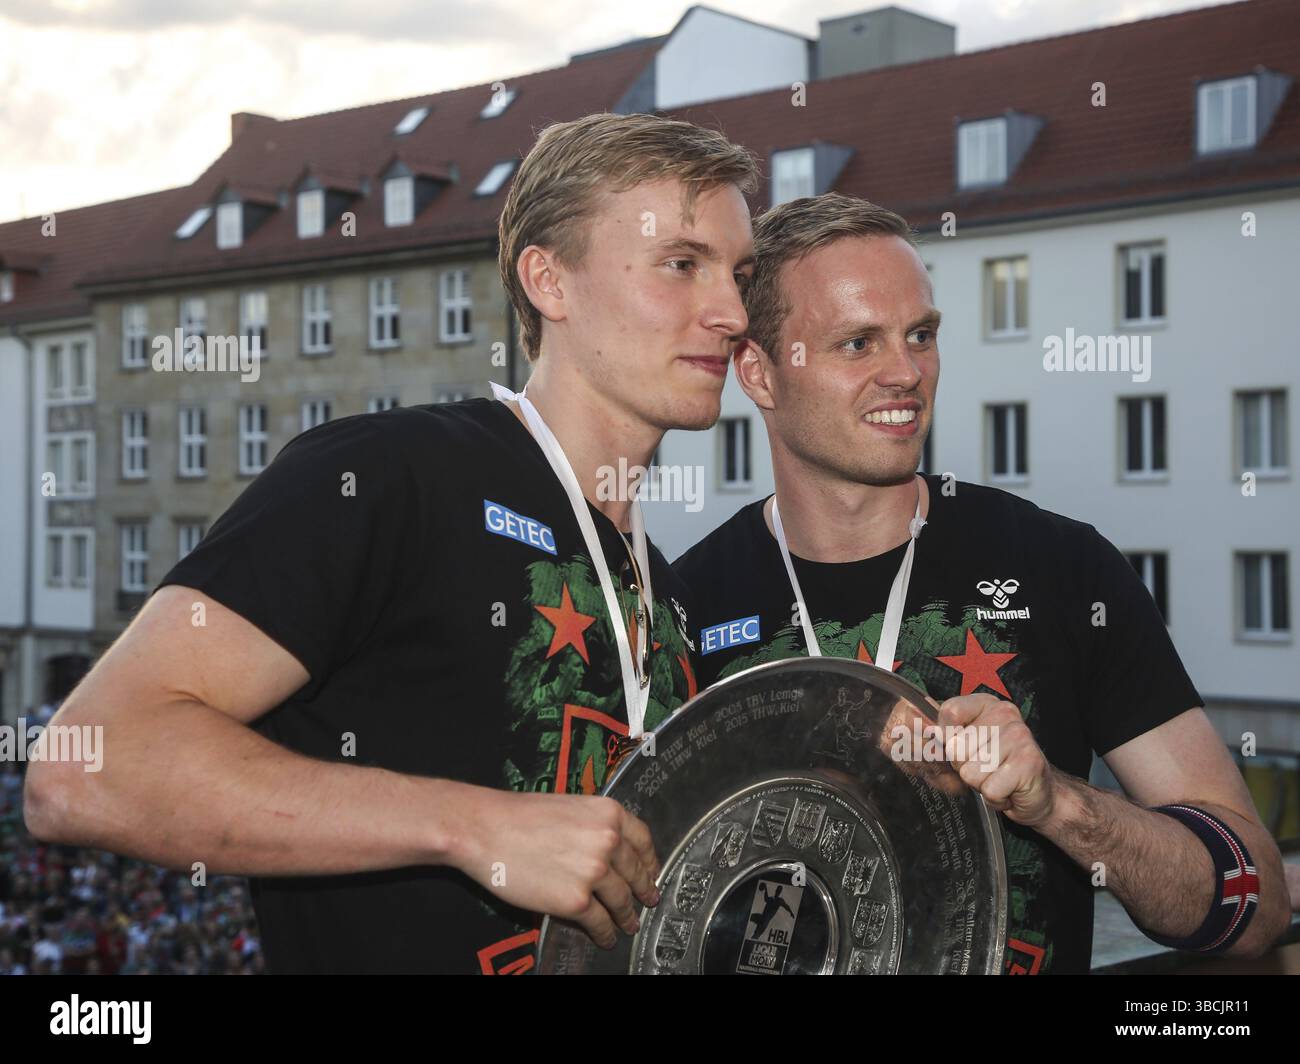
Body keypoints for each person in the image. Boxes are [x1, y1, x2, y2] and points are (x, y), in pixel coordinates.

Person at [23, 111, 758, 973]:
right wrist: (468, 826)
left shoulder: (660, 588)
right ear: (549, 283)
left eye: (740, 275)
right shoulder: (390, 474)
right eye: (683, 265)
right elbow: (87, 768)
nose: (733, 312)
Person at [673, 192, 1290, 974]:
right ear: (759, 373)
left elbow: (1257, 902)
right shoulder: (685, 606)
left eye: (921, 336)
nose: (906, 374)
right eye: (858, 343)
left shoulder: (1064, 569)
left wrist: (1058, 805)